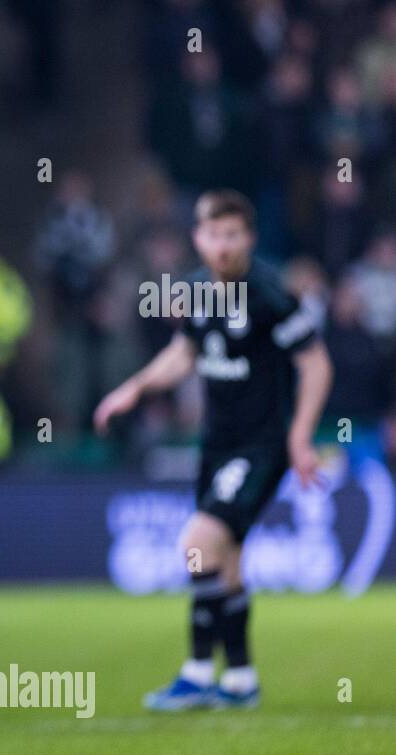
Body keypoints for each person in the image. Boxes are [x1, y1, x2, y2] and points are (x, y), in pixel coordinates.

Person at [94, 189, 332, 710]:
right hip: (217, 445)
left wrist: (299, 437)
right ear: (198, 239)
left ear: (248, 237)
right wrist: (135, 388)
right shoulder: (195, 290)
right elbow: (186, 353)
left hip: (261, 446)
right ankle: (242, 680)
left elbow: (315, 364)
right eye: (212, 234)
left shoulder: (271, 295)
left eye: (232, 234)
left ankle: (198, 672)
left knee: (196, 545)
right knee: (227, 564)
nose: (222, 245)